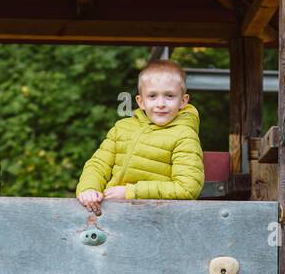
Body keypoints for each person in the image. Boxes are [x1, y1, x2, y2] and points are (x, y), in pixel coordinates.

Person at [76, 60, 204, 214]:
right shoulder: (122, 128)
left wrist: (131, 192)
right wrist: (89, 188)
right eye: (152, 96)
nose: (161, 103)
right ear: (141, 102)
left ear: (183, 101)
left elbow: (187, 188)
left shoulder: (184, 135)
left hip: (159, 216)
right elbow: (98, 164)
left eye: (169, 96)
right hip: (111, 212)